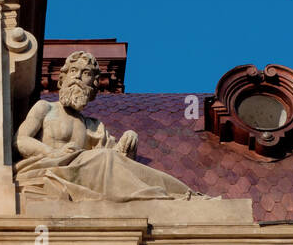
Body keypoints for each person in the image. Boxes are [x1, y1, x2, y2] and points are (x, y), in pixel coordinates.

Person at [14, 51, 199, 202]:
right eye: (73, 71)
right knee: (104, 158)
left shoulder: (93, 126)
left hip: (85, 170)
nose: (77, 77)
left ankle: (181, 194)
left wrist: (128, 144)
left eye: (85, 74)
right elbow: (20, 140)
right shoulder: (44, 107)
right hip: (50, 167)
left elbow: (119, 161)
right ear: (62, 79)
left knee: (111, 160)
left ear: (93, 86)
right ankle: (159, 195)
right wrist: (53, 153)